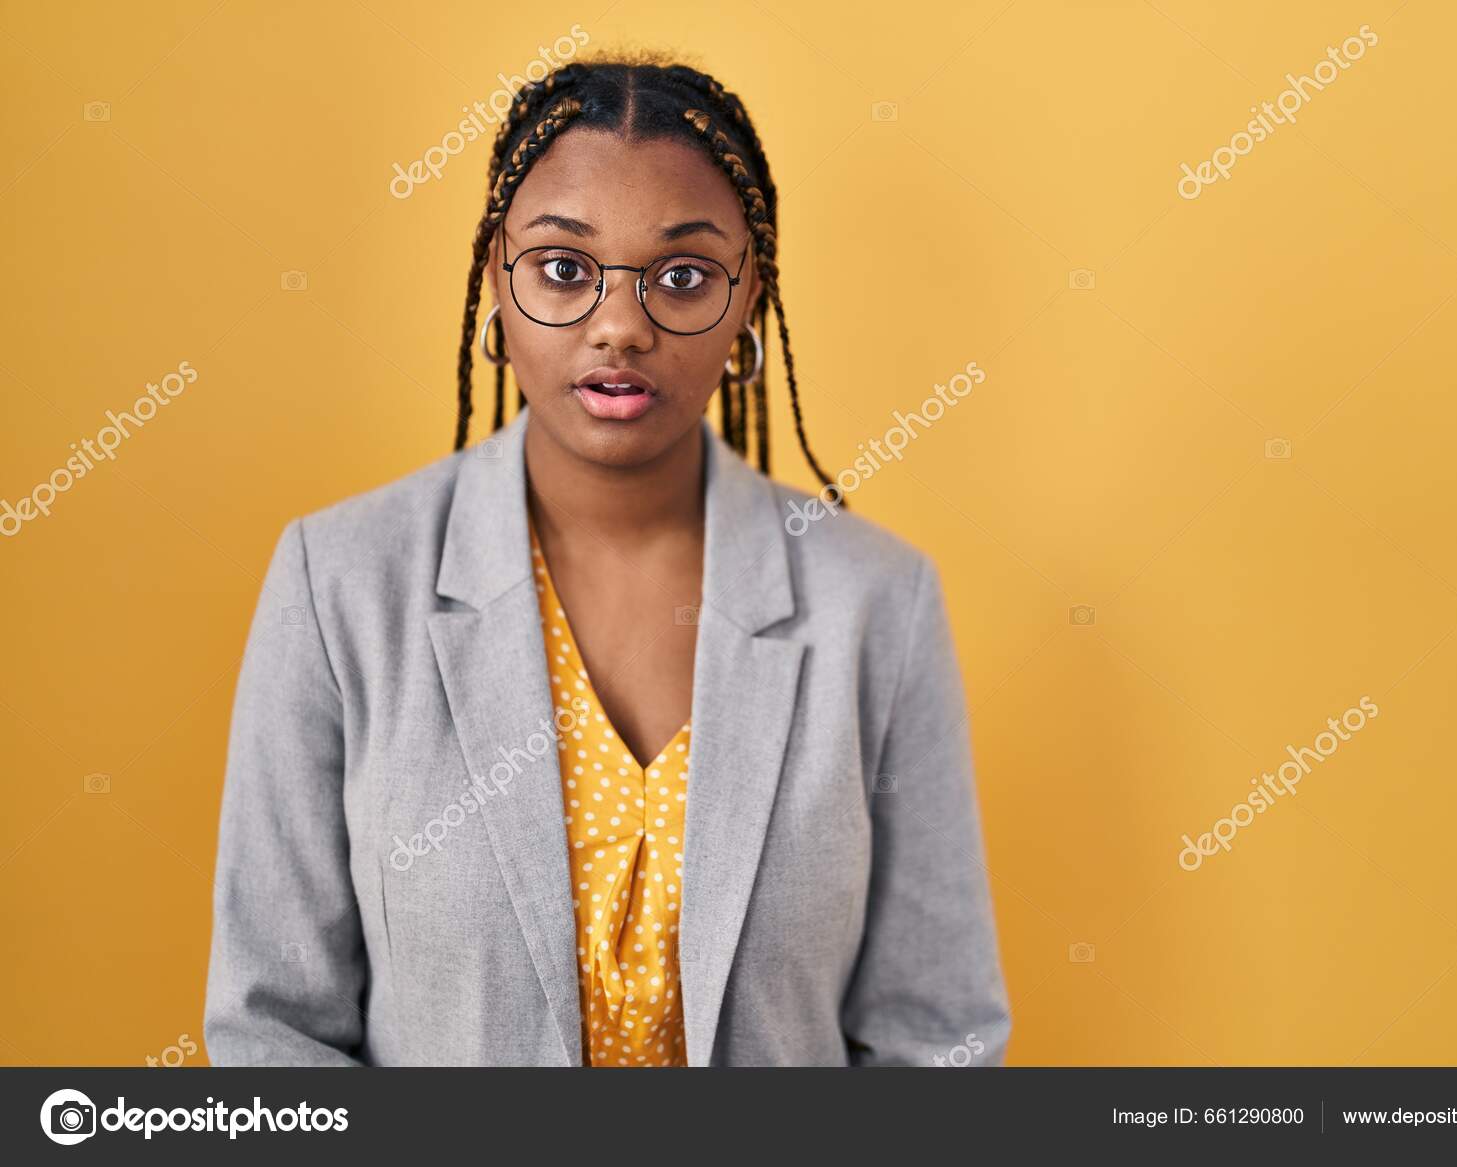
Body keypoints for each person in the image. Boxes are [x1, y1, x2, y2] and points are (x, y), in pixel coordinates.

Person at [204, 55, 1009, 1067]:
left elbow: (938, 1039)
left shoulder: (878, 605)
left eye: (681, 276)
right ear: (497, 278)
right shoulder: (339, 585)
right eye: (563, 268)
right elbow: (268, 1027)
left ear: (748, 295)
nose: (620, 326)